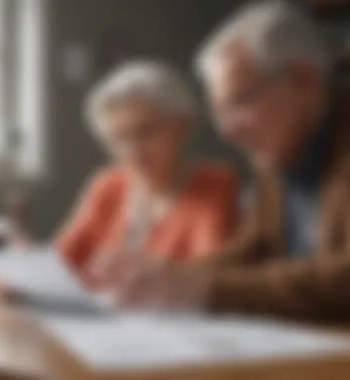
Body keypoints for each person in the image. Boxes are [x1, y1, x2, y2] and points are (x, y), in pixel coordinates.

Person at [108, 1, 350, 321]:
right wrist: (167, 278)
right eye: (219, 111)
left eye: (241, 101)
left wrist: (204, 288)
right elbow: (252, 250)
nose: (227, 131)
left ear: (303, 79)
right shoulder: (279, 149)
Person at [56, 61, 238, 290]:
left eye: (145, 132)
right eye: (119, 138)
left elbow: (209, 275)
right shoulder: (108, 185)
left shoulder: (215, 184)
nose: (133, 151)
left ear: (183, 127)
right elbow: (60, 261)